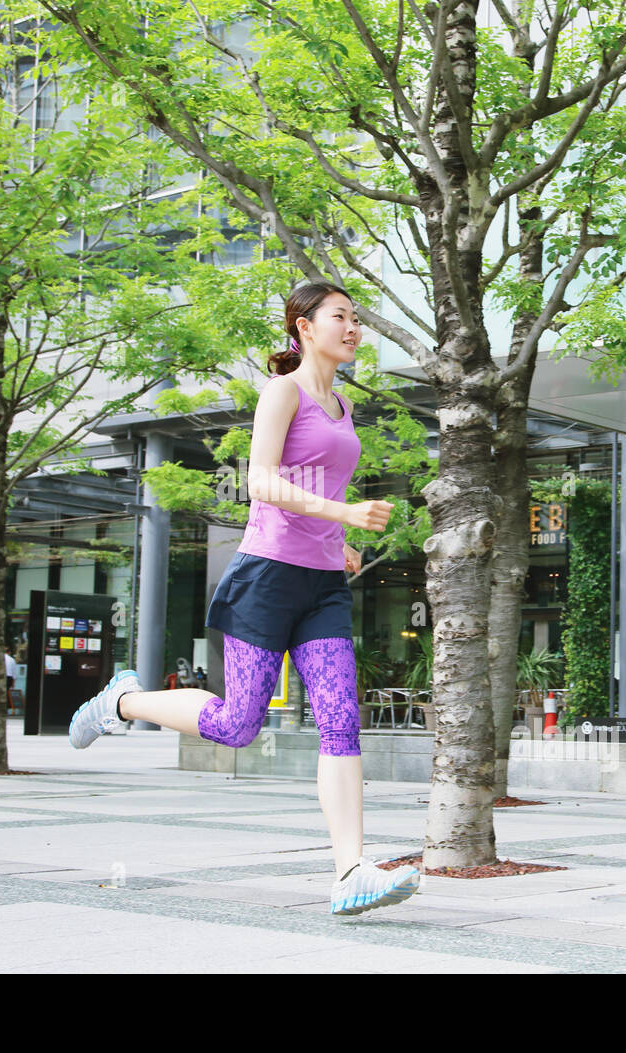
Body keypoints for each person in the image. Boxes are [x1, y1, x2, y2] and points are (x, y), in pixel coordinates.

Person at [70, 282, 420, 916]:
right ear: (304, 327)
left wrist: (336, 537)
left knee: (341, 720)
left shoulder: (341, 406)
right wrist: (342, 511)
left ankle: (350, 870)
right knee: (239, 724)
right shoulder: (282, 392)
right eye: (340, 317)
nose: (353, 328)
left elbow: (312, 484)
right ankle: (120, 701)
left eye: (356, 319)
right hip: (266, 577)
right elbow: (261, 482)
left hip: (321, 585)